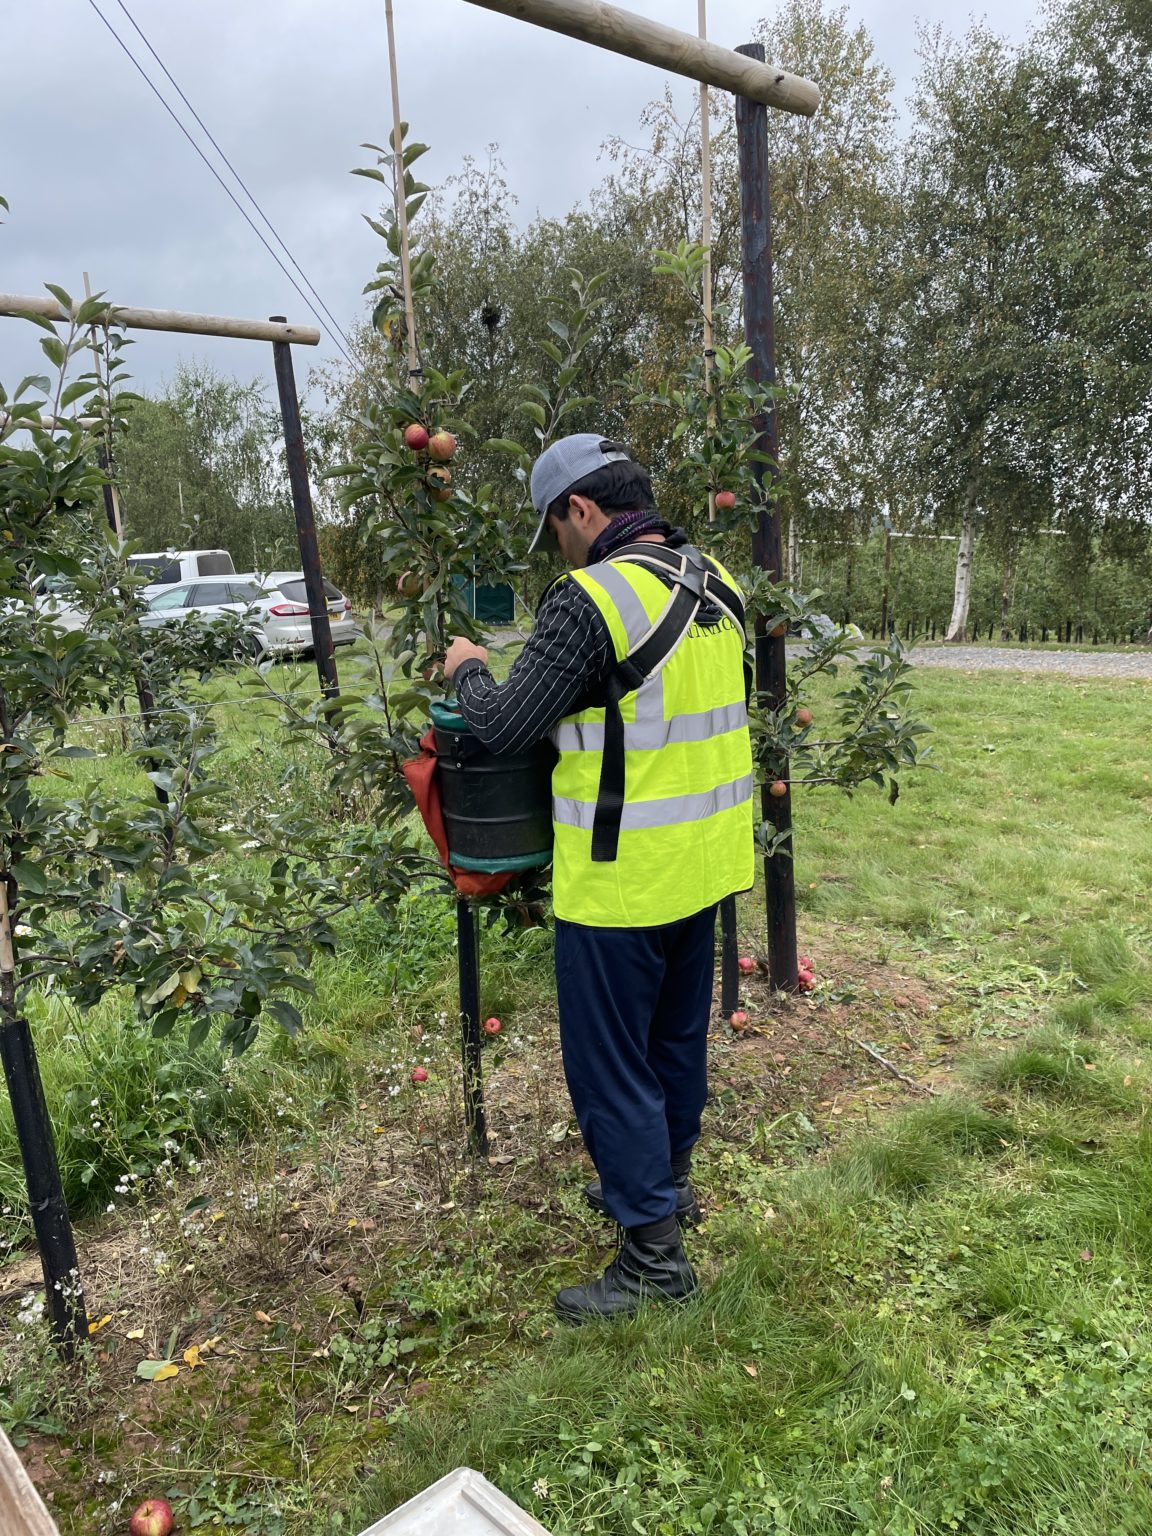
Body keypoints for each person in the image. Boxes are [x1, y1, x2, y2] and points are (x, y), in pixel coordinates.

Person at [444, 434, 754, 1323]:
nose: (560, 551)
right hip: (704, 864)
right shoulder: (715, 583)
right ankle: (668, 1186)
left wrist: (468, 665)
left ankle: (654, 1262)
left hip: (621, 882)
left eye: (556, 531)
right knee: (674, 1044)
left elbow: (504, 723)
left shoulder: (590, 601)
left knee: (612, 1067)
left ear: (580, 510)